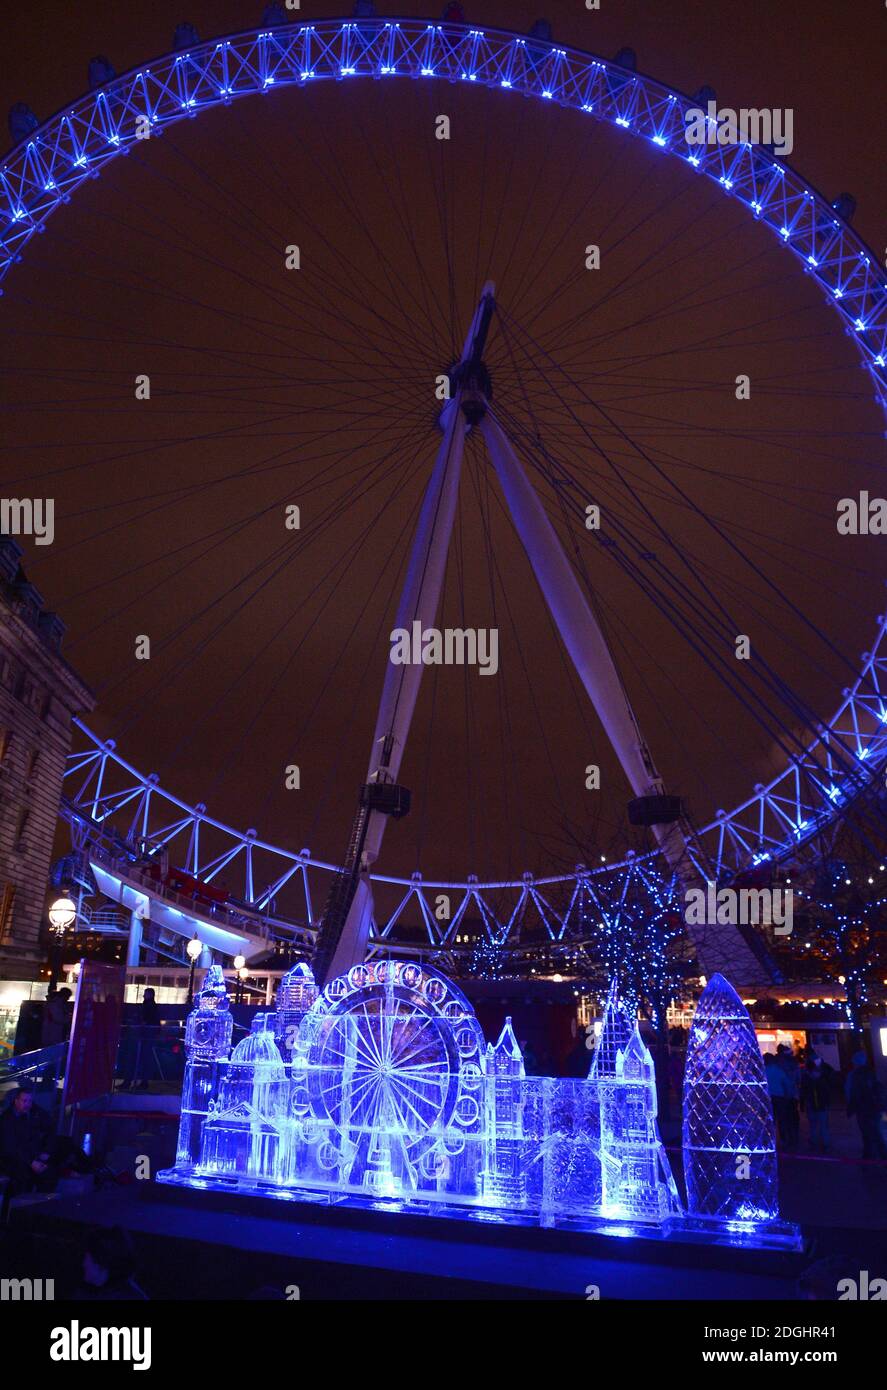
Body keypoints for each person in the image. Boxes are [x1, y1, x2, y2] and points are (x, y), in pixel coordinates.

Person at [0, 1086, 92, 1195]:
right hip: (15, 1158)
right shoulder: (7, 1119)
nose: (27, 1104)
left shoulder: (34, 1111)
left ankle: (87, 1168)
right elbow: (11, 1147)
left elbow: (50, 1127)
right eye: (24, 1101)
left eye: (30, 1101)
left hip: (33, 1152)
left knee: (66, 1144)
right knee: (29, 1174)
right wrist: (31, 1162)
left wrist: (46, 1151)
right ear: (16, 1101)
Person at [79, 1226, 147, 1300]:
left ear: (102, 1263)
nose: (83, 1264)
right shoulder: (86, 1291)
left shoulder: (129, 1296)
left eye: (87, 1259)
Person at [845, 1050, 887, 1160]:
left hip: (862, 1109)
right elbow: (880, 1088)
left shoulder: (853, 1075)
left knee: (866, 1133)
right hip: (874, 1107)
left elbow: (850, 1092)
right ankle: (881, 1155)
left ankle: (870, 1155)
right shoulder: (872, 1072)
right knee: (876, 1132)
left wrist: (851, 1107)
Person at [799, 1054, 833, 1153]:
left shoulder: (806, 1076)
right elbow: (829, 1089)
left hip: (811, 1104)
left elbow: (803, 1090)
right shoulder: (825, 1074)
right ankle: (826, 1145)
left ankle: (814, 1144)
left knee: (813, 1125)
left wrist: (802, 1103)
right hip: (823, 1104)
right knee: (823, 1125)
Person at [776, 1043, 800, 1149]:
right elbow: (798, 1077)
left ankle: (784, 1138)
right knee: (793, 1116)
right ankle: (794, 1136)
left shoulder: (777, 1062)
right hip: (793, 1093)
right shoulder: (793, 1062)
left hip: (781, 1094)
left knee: (782, 1117)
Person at [764, 1052, 792, 1145]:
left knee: (769, 1120)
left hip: (767, 1098)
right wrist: (788, 1094)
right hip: (780, 1097)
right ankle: (783, 1140)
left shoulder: (763, 1070)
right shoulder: (779, 1070)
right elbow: (786, 1083)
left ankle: (768, 1140)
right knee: (781, 1119)